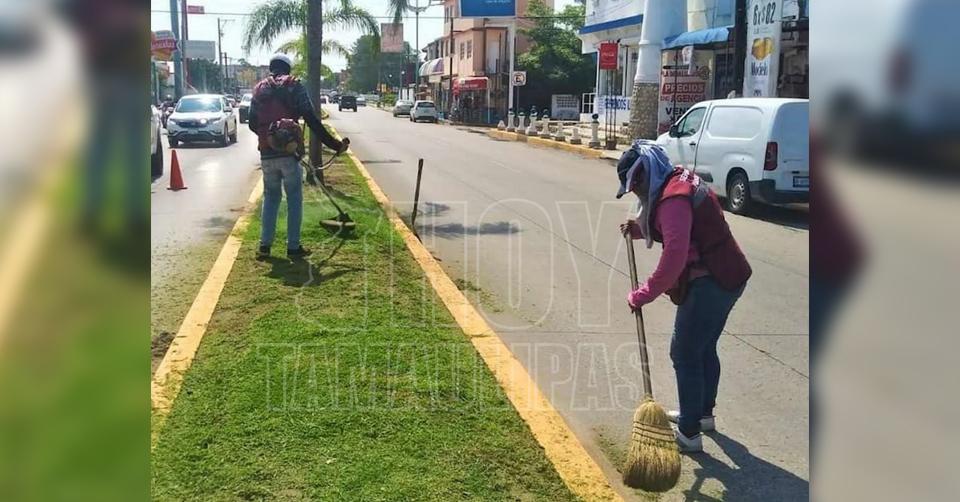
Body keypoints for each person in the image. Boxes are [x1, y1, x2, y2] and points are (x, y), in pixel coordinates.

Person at [616, 140, 752, 453]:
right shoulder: (675, 180)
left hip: (713, 282)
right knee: (703, 349)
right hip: (730, 274)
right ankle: (702, 414)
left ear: (645, 177)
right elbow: (678, 229)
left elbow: (674, 257)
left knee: (684, 352)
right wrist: (640, 230)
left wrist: (642, 294)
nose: (636, 193)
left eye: (635, 186)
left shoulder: (673, 199)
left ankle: (690, 433)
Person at [248, 54, 349, 259]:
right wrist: (335, 145)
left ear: (271, 68)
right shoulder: (295, 86)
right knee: (294, 197)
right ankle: (293, 247)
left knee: (271, 197)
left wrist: (271, 138)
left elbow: (251, 122)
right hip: (290, 154)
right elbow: (312, 120)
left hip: (267, 153)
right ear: (288, 69)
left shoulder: (259, 89)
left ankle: (264, 247)